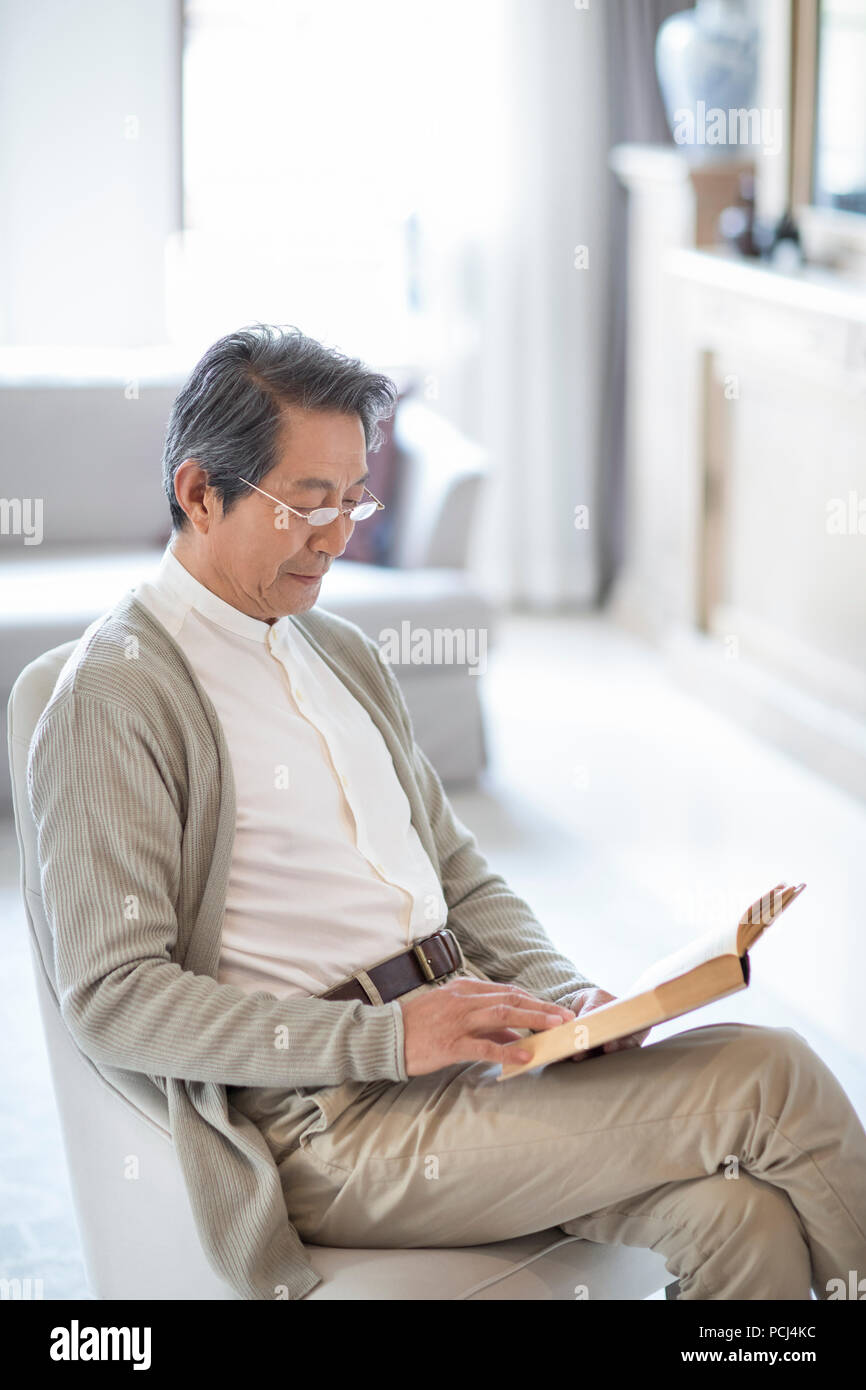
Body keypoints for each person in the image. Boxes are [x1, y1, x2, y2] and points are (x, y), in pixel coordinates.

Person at [29, 325, 866, 1301]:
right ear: (198, 492)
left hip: (477, 1059)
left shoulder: (333, 649)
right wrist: (388, 1040)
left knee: (740, 1217)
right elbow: (113, 997)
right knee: (772, 1076)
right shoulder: (115, 696)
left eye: (352, 499)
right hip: (332, 1121)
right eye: (306, 503)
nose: (338, 536)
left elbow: (456, 871)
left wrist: (569, 1003)